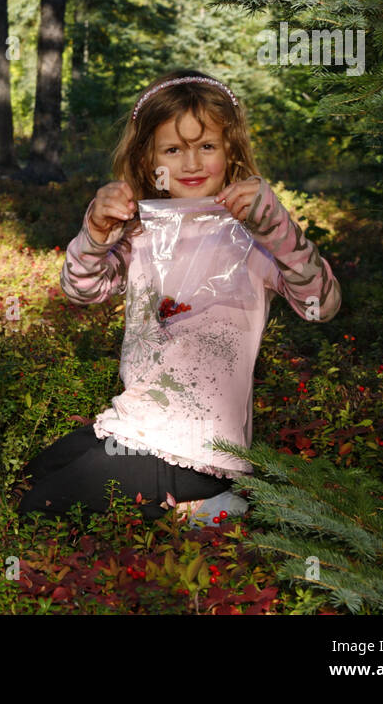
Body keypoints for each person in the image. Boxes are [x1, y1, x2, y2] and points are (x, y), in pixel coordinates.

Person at [18, 69, 342, 525]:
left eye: (206, 146)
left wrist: (280, 230)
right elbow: (81, 290)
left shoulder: (256, 238)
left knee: (38, 508)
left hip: (201, 450)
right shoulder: (141, 232)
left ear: (230, 152)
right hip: (136, 423)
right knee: (34, 474)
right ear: (148, 159)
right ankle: (189, 510)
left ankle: (208, 499)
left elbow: (321, 305)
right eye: (173, 149)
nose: (190, 164)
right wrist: (94, 234)